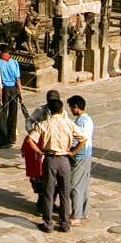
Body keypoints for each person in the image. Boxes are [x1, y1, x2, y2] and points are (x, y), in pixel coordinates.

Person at [37, 96, 78, 233]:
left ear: (49, 110)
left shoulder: (45, 124)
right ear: (61, 109)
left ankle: (48, 223)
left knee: (48, 193)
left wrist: (39, 150)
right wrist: (73, 152)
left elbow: (31, 138)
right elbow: (83, 138)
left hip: (50, 159)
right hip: (64, 159)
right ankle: (65, 223)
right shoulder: (69, 123)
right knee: (64, 193)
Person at [68, 95, 94, 222]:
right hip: (87, 155)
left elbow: (82, 140)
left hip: (81, 155)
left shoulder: (81, 122)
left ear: (76, 107)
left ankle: (76, 215)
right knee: (83, 185)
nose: (71, 111)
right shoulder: (88, 119)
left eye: (71, 108)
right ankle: (83, 212)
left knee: (75, 185)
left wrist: (73, 152)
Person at [0, 44, 22, 142]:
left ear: (2, 53)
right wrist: (20, 92)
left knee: (3, 113)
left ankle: (4, 135)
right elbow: (18, 79)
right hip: (13, 89)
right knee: (13, 113)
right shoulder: (15, 63)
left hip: (4, 89)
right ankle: (12, 137)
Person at [21, 118, 44, 213]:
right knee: (44, 190)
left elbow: (23, 152)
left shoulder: (28, 138)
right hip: (40, 169)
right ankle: (42, 208)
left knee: (41, 190)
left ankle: (42, 206)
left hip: (34, 172)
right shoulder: (42, 138)